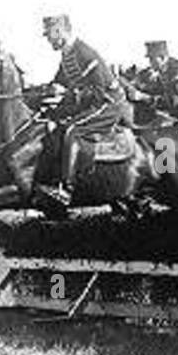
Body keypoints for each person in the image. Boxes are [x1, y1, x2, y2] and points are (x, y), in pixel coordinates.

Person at [38, 14, 133, 209]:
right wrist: (46, 91)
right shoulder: (66, 55)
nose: (48, 41)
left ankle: (66, 189)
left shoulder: (85, 53)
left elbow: (98, 92)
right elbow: (60, 81)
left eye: (50, 36)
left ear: (60, 32)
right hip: (90, 103)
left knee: (72, 130)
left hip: (108, 104)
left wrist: (69, 95)